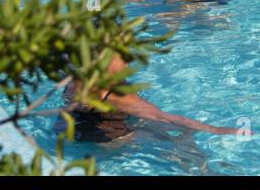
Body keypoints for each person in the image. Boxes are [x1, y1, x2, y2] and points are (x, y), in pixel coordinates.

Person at [66, 53, 239, 136]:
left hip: (79, 126)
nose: (128, 62)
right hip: (110, 139)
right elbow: (163, 117)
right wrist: (216, 130)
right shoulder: (118, 95)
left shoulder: (77, 77)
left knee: (160, 128)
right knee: (176, 144)